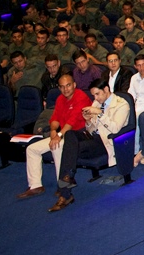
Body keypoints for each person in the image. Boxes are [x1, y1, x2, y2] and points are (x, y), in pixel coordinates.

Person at [51, 76, 129, 212]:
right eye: (93, 95)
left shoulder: (122, 104)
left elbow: (115, 128)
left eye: (98, 94)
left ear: (106, 89)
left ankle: (65, 191)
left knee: (72, 149)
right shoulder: (97, 103)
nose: (96, 98)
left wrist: (99, 114)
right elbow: (91, 129)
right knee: (69, 135)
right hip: (92, 137)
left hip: (105, 142)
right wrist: (88, 121)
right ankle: (67, 178)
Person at [16, 74, 91, 200]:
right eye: (62, 87)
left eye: (68, 85)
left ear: (74, 85)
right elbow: (55, 118)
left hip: (79, 134)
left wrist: (59, 134)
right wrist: (53, 130)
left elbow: (72, 122)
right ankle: (35, 186)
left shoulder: (81, 97)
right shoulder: (60, 99)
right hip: (63, 133)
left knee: (56, 146)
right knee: (32, 149)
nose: (65, 89)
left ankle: (62, 186)